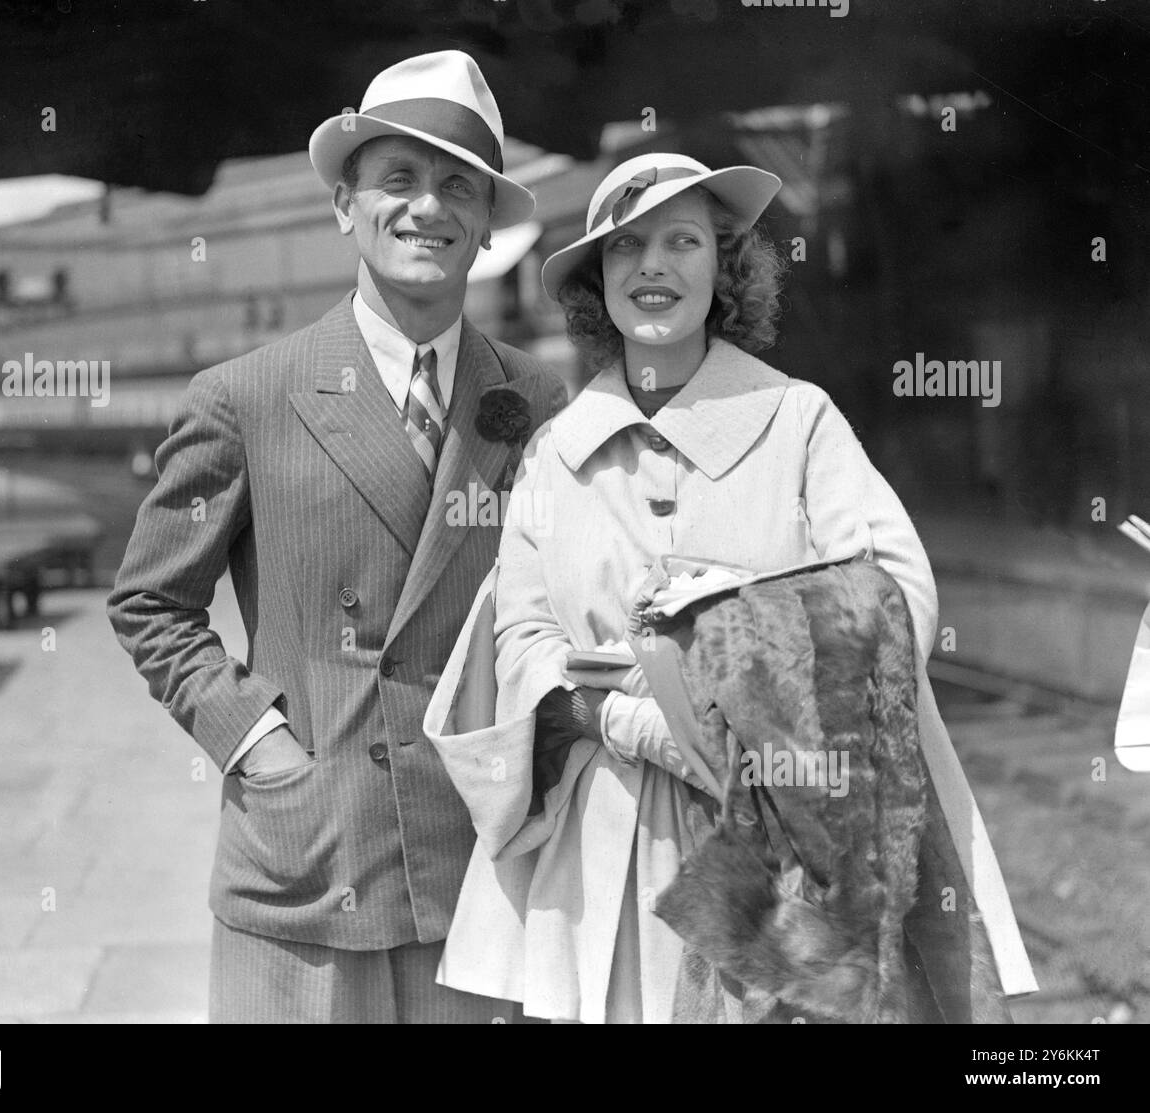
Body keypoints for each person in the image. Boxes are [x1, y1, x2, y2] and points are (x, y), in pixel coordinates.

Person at [424, 152, 1037, 1023]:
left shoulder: (800, 421)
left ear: (726, 270)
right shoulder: (553, 457)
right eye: (627, 246)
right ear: (599, 280)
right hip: (608, 848)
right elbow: (519, 639)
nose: (655, 267)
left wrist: (745, 663)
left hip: (786, 833)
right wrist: (640, 722)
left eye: (684, 241)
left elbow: (898, 596)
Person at [107, 50, 567, 1023]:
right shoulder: (246, 397)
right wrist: (256, 740)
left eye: (456, 185)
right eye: (397, 179)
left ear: (486, 222)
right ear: (343, 207)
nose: (426, 207)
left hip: (482, 871)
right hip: (308, 868)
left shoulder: (538, 402)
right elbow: (152, 601)